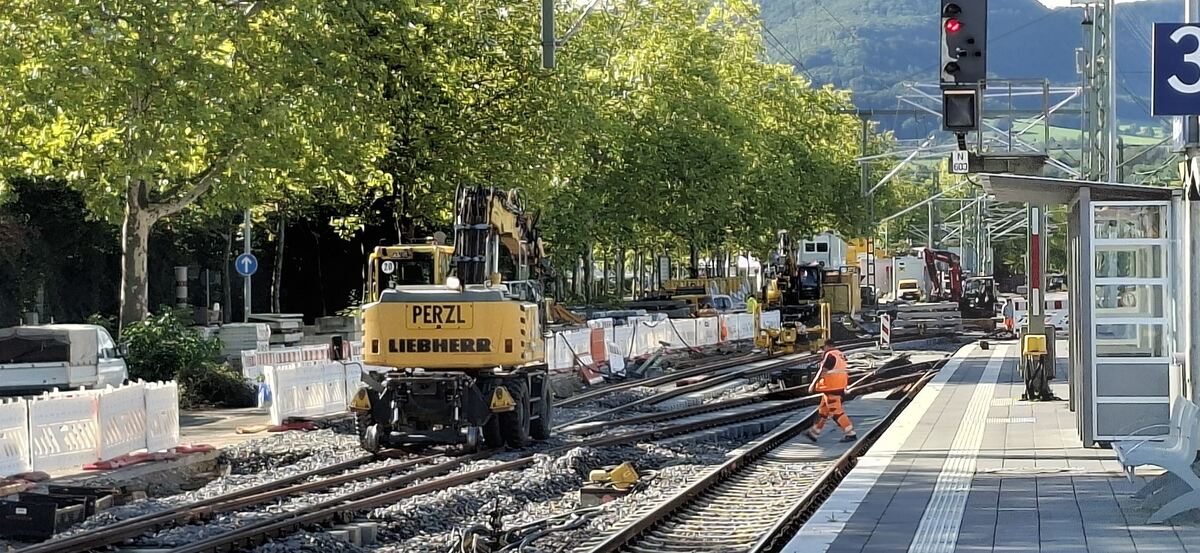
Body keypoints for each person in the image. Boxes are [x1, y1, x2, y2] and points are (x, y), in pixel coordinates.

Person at [805, 339, 856, 443]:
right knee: (823, 411)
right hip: (838, 385)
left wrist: (813, 384)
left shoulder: (830, 355)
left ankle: (850, 433)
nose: (822, 350)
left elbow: (822, 371)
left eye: (823, 348)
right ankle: (814, 432)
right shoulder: (840, 354)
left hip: (831, 387)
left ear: (827, 346)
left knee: (836, 412)